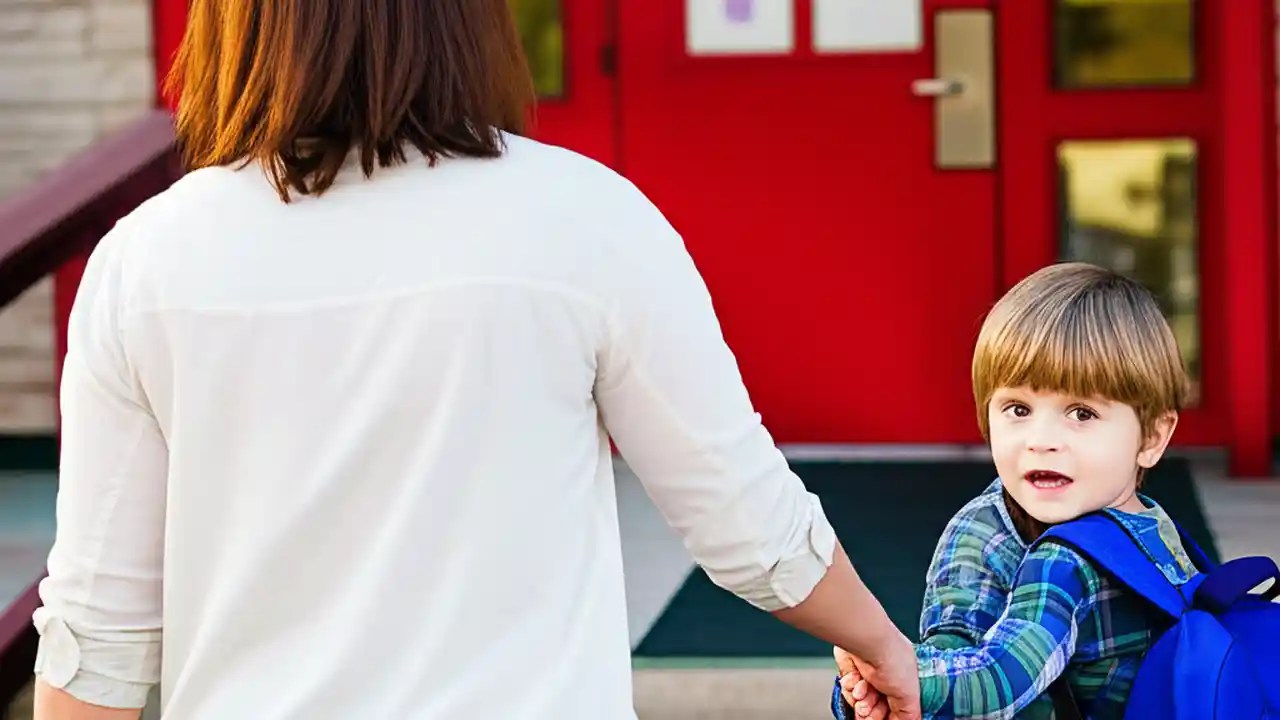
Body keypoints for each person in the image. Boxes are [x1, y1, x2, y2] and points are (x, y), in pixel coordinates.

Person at [29, 2, 921, 719]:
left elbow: (96, 640)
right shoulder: (584, 220)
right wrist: (880, 642)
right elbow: (750, 528)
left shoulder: (144, 261)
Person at [832, 263, 1199, 719]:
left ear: (1152, 438)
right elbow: (964, 648)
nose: (1040, 439)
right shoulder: (988, 533)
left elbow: (1000, 674)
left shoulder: (1111, 546)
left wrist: (897, 677)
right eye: (1018, 408)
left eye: (1081, 413)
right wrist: (893, 681)